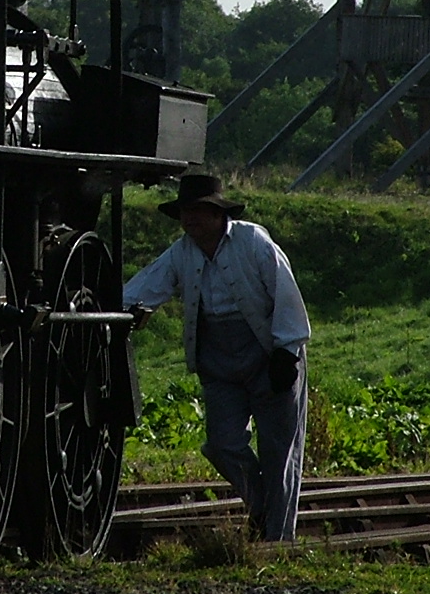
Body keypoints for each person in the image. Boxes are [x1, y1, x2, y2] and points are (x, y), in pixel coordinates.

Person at [125, 173, 312, 540]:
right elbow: (149, 284)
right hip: (220, 363)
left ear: (217, 213)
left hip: (268, 355)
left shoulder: (252, 240)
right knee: (222, 443)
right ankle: (260, 505)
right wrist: (121, 309)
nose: (190, 219)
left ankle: (276, 538)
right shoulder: (183, 251)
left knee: (279, 452)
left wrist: (286, 351)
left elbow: (285, 291)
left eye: (198, 210)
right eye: (184, 212)